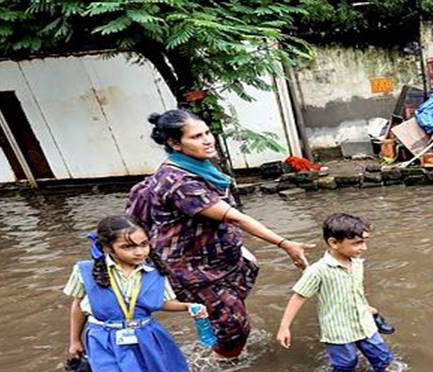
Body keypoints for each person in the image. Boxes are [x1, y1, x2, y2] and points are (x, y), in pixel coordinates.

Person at [127, 109, 313, 358]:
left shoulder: (201, 167)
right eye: (196, 136)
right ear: (174, 143)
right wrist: (284, 243)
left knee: (237, 295)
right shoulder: (179, 181)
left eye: (207, 132)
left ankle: (216, 327)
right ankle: (223, 362)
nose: (207, 140)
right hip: (193, 268)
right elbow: (234, 216)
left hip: (220, 257)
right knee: (235, 327)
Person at [64, 215, 207, 372]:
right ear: (107, 247)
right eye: (128, 247)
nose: (139, 252)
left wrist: (187, 306)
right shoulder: (84, 271)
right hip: (104, 339)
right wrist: (74, 340)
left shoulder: (154, 271)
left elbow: (163, 302)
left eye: (144, 244)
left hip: (147, 336)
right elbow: (78, 305)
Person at [276, 213, 393, 372]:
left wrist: (367, 307)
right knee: (345, 365)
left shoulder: (357, 263)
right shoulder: (318, 271)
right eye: (357, 243)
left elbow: (354, 290)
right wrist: (284, 327)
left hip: (364, 322)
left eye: (364, 242)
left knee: (383, 358)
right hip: (338, 330)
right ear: (333, 243)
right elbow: (299, 296)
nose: (364, 247)